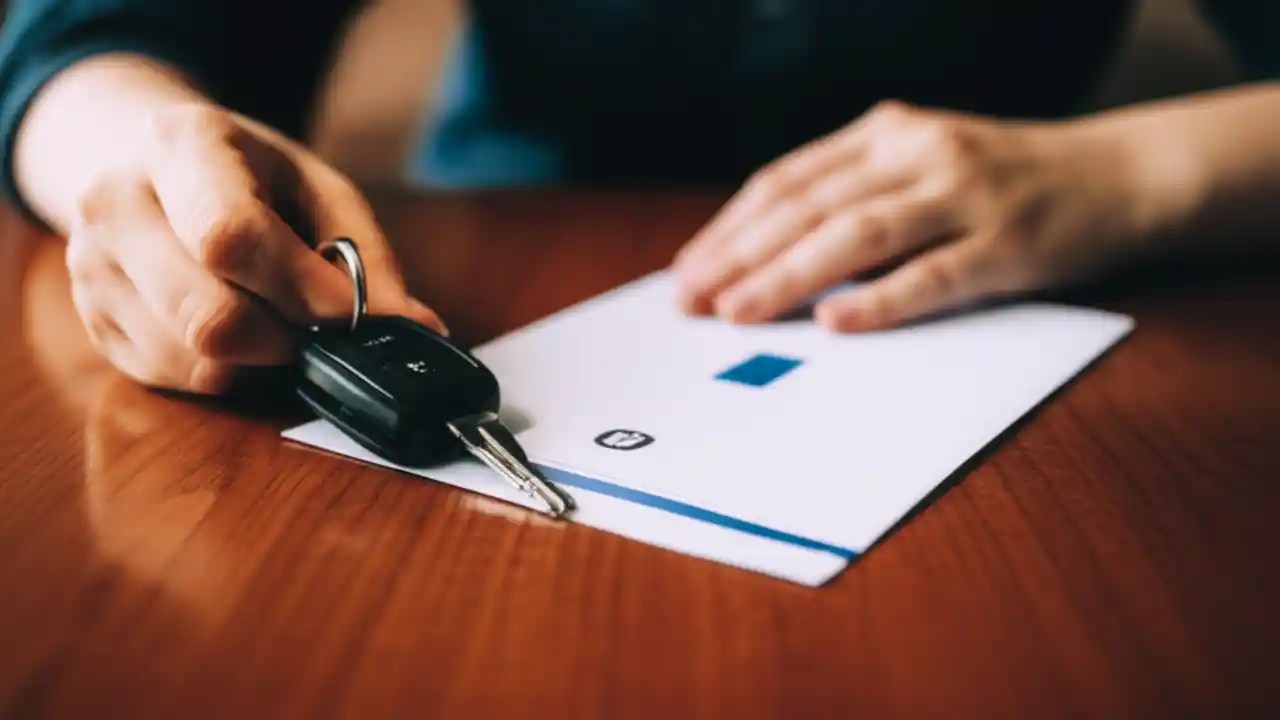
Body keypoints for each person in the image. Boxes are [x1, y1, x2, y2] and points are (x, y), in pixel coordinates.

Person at [0, 2, 1276, 394]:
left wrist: (1139, 169)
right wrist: (133, 147)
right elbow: (80, 34)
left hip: (1021, 265)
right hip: (485, 256)